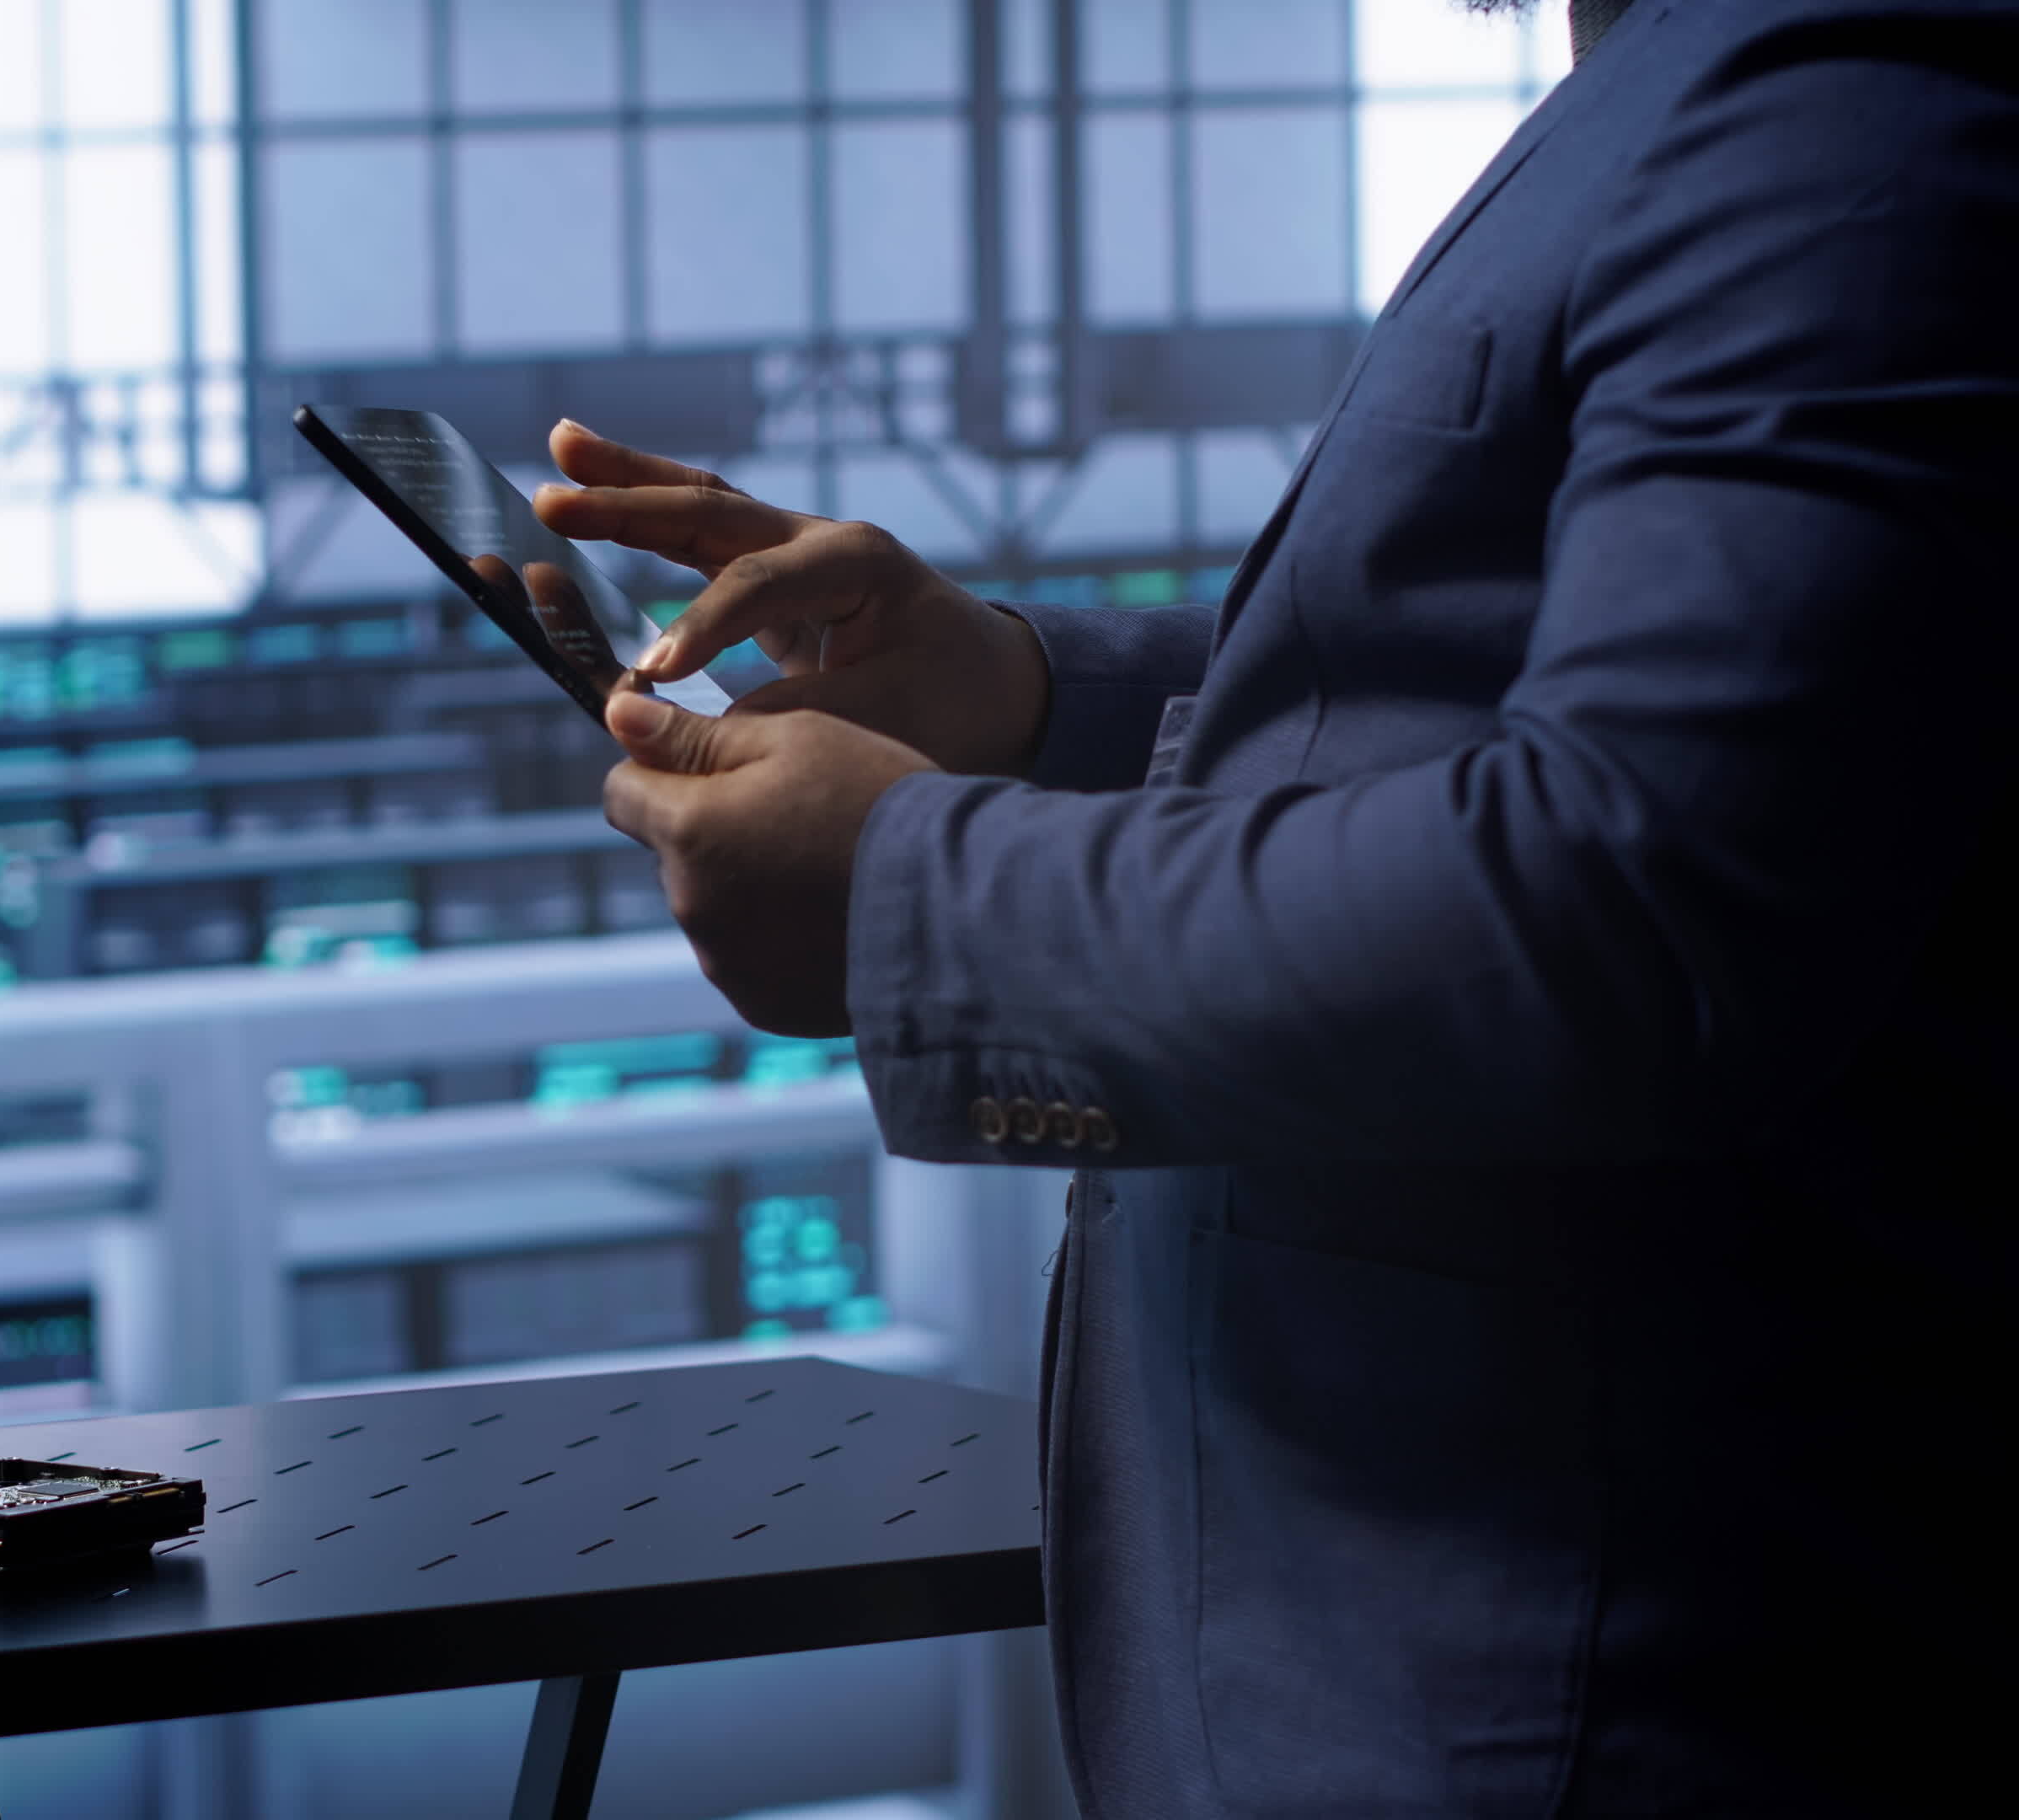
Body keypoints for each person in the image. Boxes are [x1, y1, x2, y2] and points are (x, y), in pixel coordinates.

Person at [536, 0, 2019, 1812]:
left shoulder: (1851, 100)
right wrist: (1017, 702)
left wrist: (916, 892)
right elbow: (1499, 711)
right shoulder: (1723, 84)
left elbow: (1638, 907)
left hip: (1569, 1688)